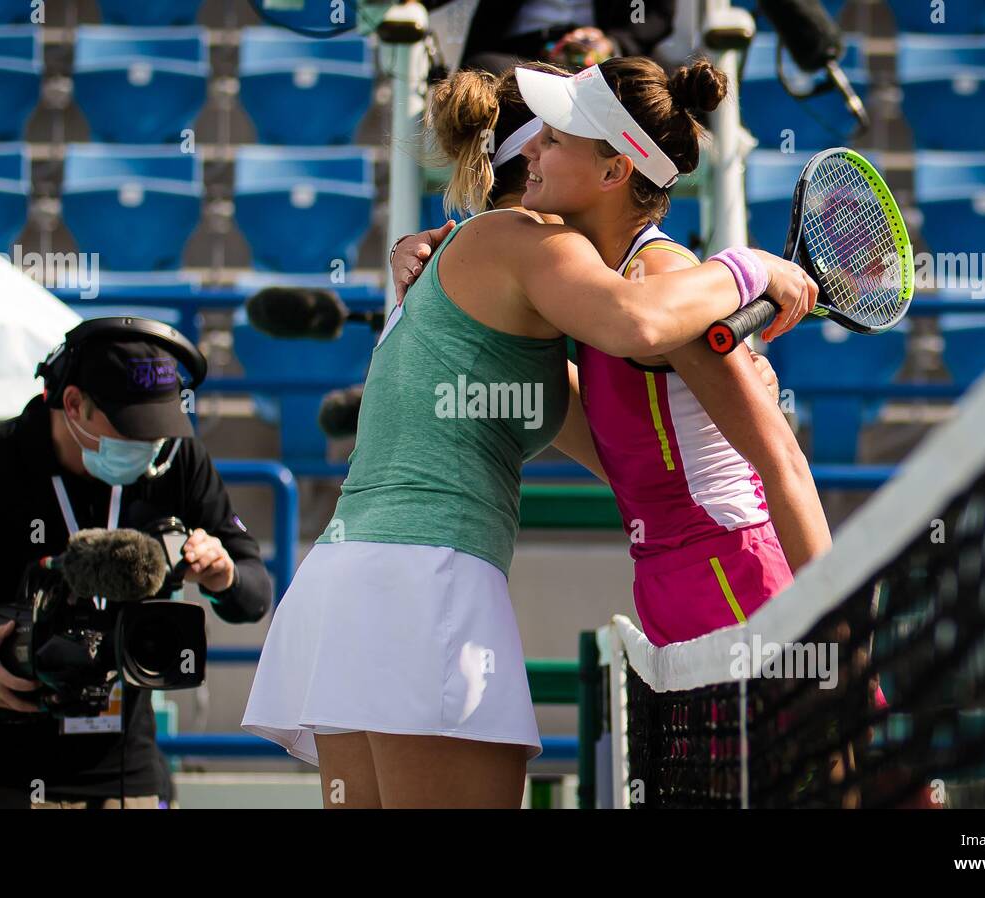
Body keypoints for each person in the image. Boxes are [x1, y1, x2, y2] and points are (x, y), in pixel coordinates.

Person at [242, 58, 816, 808]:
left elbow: (653, 454)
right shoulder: (529, 247)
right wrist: (748, 268)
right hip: (425, 584)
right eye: (539, 136)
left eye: (559, 135)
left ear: (612, 167)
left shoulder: (499, 286)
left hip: (355, 582)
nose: (543, 149)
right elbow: (635, 320)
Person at [393, 60, 832, 646]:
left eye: (552, 140)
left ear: (613, 170)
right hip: (669, 575)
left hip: (732, 569)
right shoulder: (598, 289)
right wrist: (431, 248)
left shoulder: (661, 273)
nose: (531, 154)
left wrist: (836, 635)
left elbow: (784, 464)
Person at [0, 318, 272, 809]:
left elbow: (254, 595)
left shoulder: (177, 460)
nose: (147, 446)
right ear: (75, 403)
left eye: (159, 429)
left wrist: (223, 574)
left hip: (126, 771)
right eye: (130, 427)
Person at [425, 0, 676, 73]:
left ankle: (642, 198)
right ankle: (507, 198)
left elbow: (654, 12)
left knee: (661, 83)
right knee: (484, 73)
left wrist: (612, 43)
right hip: (517, 54)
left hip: (603, 56)